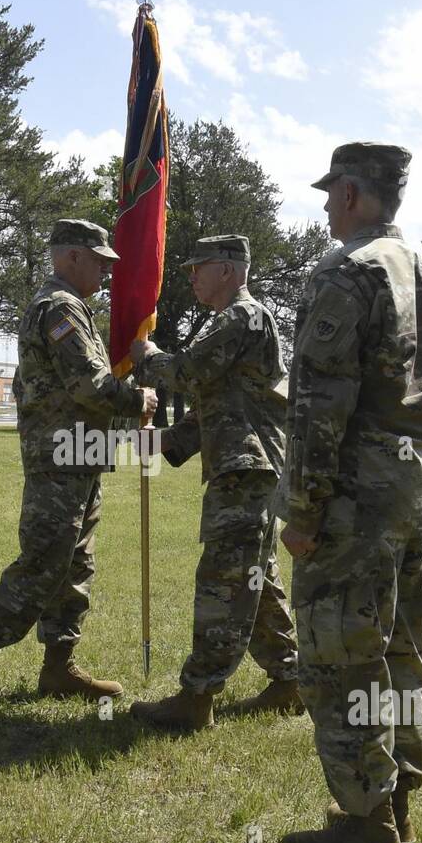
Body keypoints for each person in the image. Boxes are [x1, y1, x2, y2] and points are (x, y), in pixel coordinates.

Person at [278, 143, 422, 843]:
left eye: (331, 194)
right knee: (404, 648)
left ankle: (364, 823)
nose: (325, 206)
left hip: (357, 495)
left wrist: (303, 510)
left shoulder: (349, 274)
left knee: (340, 656)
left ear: (353, 195)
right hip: (415, 485)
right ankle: (397, 801)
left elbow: (319, 407)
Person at [0, 219, 157, 719]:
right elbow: (89, 385)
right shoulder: (59, 307)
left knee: (75, 564)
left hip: (79, 454)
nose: (107, 271)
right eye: (99, 261)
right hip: (60, 456)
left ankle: (58, 666)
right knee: (43, 563)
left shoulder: (72, 305)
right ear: (70, 257)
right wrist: (136, 397)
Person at [128, 235, 302, 731]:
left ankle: (197, 696)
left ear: (226, 270)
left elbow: (189, 372)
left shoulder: (243, 316)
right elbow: (215, 404)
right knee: (256, 578)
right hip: (246, 466)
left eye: (197, 267)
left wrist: (146, 355)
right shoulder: (238, 322)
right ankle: (289, 682)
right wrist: (167, 443)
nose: (191, 277)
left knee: (223, 581)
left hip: (247, 469)